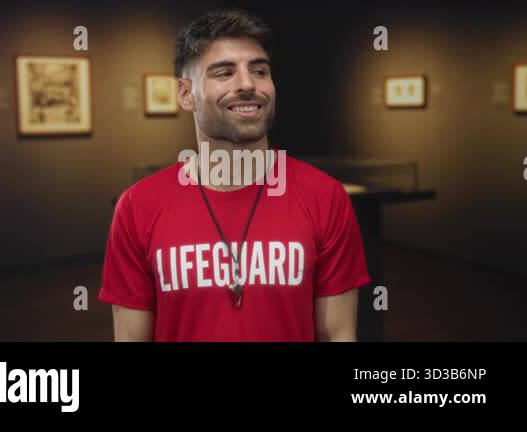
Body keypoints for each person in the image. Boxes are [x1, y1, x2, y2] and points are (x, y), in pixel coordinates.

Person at [98, 9, 371, 341]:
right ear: (186, 94)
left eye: (259, 70)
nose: (247, 84)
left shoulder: (325, 197)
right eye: (224, 73)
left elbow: (339, 335)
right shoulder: (137, 207)